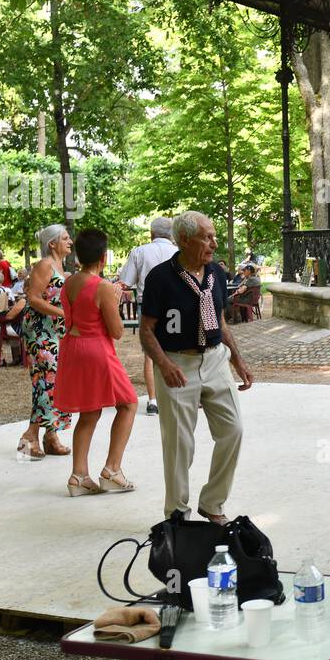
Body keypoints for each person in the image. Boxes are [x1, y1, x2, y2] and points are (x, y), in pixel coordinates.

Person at [139, 211, 254, 522]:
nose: (214, 243)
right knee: (179, 445)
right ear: (185, 240)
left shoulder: (216, 272)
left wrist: (238, 360)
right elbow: (146, 330)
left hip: (216, 359)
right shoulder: (161, 278)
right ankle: (177, 513)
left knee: (233, 430)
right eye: (208, 237)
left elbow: (219, 320)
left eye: (214, 236)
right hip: (177, 363)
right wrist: (163, 364)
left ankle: (212, 503)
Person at [53, 229, 138, 497]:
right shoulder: (101, 286)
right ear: (103, 257)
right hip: (96, 348)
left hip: (72, 346)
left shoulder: (68, 282)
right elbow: (116, 331)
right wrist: (114, 298)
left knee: (89, 412)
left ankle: (79, 476)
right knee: (128, 403)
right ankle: (112, 469)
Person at [17, 224, 73, 462]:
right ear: (52, 243)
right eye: (65, 238)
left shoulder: (62, 267)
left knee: (54, 381)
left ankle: (51, 436)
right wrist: (63, 313)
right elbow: (33, 298)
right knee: (47, 379)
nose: (71, 241)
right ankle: (31, 435)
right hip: (40, 331)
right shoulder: (44, 265)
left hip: (56, 332)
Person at [118, 217, 177, 416]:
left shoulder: (139, 252)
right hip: (176, 306)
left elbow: (125, 281)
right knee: (178, 348)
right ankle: (178, 395)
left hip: (148, 305)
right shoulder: (179, 252)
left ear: (152, 233)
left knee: (150, 354)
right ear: (171, 234)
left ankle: (153, 401)